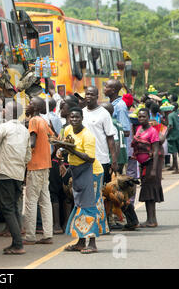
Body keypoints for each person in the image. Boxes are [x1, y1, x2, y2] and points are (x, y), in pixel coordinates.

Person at [0, 100, 31, 255]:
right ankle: (16, 242)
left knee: (7, 208)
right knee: (13, 207)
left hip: (5, 173)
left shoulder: (3, 128)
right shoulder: (24, 130)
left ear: (9, 112)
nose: (3, 111)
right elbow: (28, 155)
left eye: (5, 109)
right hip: (19, 173)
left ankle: (18, 244)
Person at [60, 107, 104, 254]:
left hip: (91, 172)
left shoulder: (88, 136)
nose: (74, 120)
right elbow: (66, 146)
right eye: (71, 117)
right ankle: (80, 242)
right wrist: (62, 148)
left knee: (89, 206)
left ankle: (92, 243)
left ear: (82, 118)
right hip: (77, 171)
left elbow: (90, 158)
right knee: (79, 205)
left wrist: (71, 150)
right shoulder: (67, 130)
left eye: (77, 117)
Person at [23, 97, 56, 245]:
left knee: (31, 201)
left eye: (30, 103)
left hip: (35, 166)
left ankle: (30, 236)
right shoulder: (43, 121)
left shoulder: (33, 121)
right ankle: (48, 234)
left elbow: (32, 142)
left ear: (35, 108)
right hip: (45, 165)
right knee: (45, 201)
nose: (27, 106)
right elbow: (54, 138)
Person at [102, 102, 139, 231]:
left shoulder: (109, 123)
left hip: (114, 161)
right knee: (119, 192)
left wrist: (113, 161)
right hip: (121, 159)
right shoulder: (117, 122)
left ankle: (124, 219)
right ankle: (124, 219)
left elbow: (115, 143)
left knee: (114, 193)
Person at [131, 108, 164, 228]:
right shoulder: (139, 129)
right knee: (147, 193)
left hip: (151, 165)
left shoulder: (152, 132)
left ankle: (152, 220)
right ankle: (150, 219)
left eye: (144, 116)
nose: (141, 119)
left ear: (148, 118)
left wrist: (154, 169)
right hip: (143, 165)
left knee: (150, 192)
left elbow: (155, 151)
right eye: (140, 117)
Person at [82, 86, 118, 183]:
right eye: (87, 94)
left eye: (92, 94)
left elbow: (110, 138)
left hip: (101, 159)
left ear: (97, 97)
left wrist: (114, 160)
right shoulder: (81, 113)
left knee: (101, 190)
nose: (89, 96)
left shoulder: (104, 114)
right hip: (84, 159)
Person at [164, 102, 179, 174]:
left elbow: (171, 126)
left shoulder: (170, 115)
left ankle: (177, 169)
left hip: (172, 136)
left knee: (174, 153)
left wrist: (166, 134)